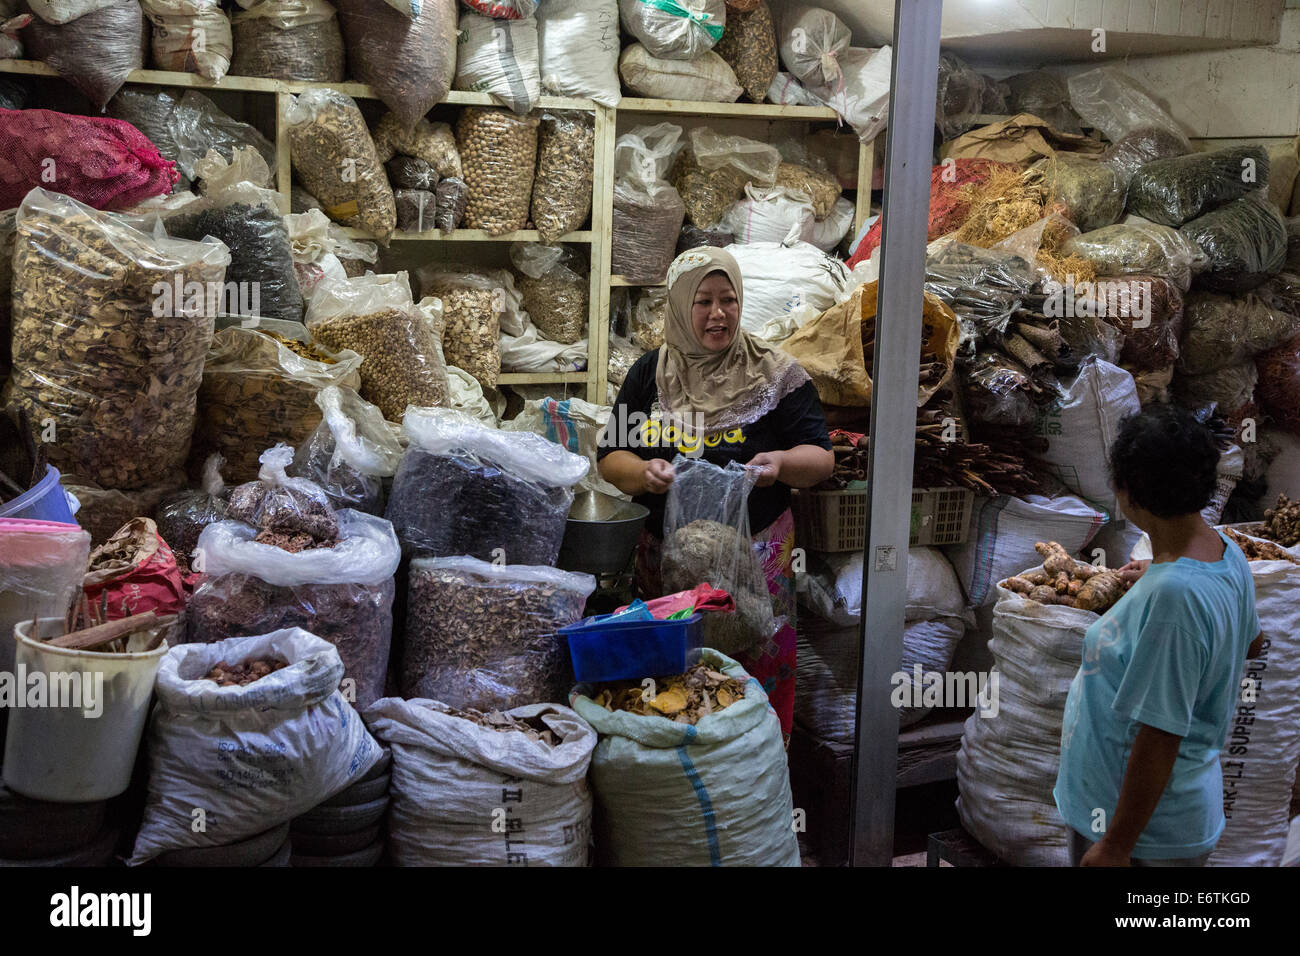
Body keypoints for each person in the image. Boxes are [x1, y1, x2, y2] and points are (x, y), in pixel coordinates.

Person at [597, 246, 834, 736]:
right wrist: (643, 474)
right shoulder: (649, 374)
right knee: (673, 684)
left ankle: (757, 773)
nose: (718, 313)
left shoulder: (776, 374)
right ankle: (682, 783)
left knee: (753, 679)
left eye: (728, 299)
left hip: (755, 562)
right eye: (703, 301)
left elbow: (821, 459)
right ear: (681, 306)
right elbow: (610, 458)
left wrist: (782, 463)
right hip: (667, 565)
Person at [1054, 404, 1263, 867]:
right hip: (1155, 816)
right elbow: (1250, 642)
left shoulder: (1174, 597)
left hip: (1141, 836)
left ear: (1130, 492)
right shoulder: (1224, 553)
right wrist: (1161, 574)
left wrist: (1116, 847)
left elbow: (1160, 736)